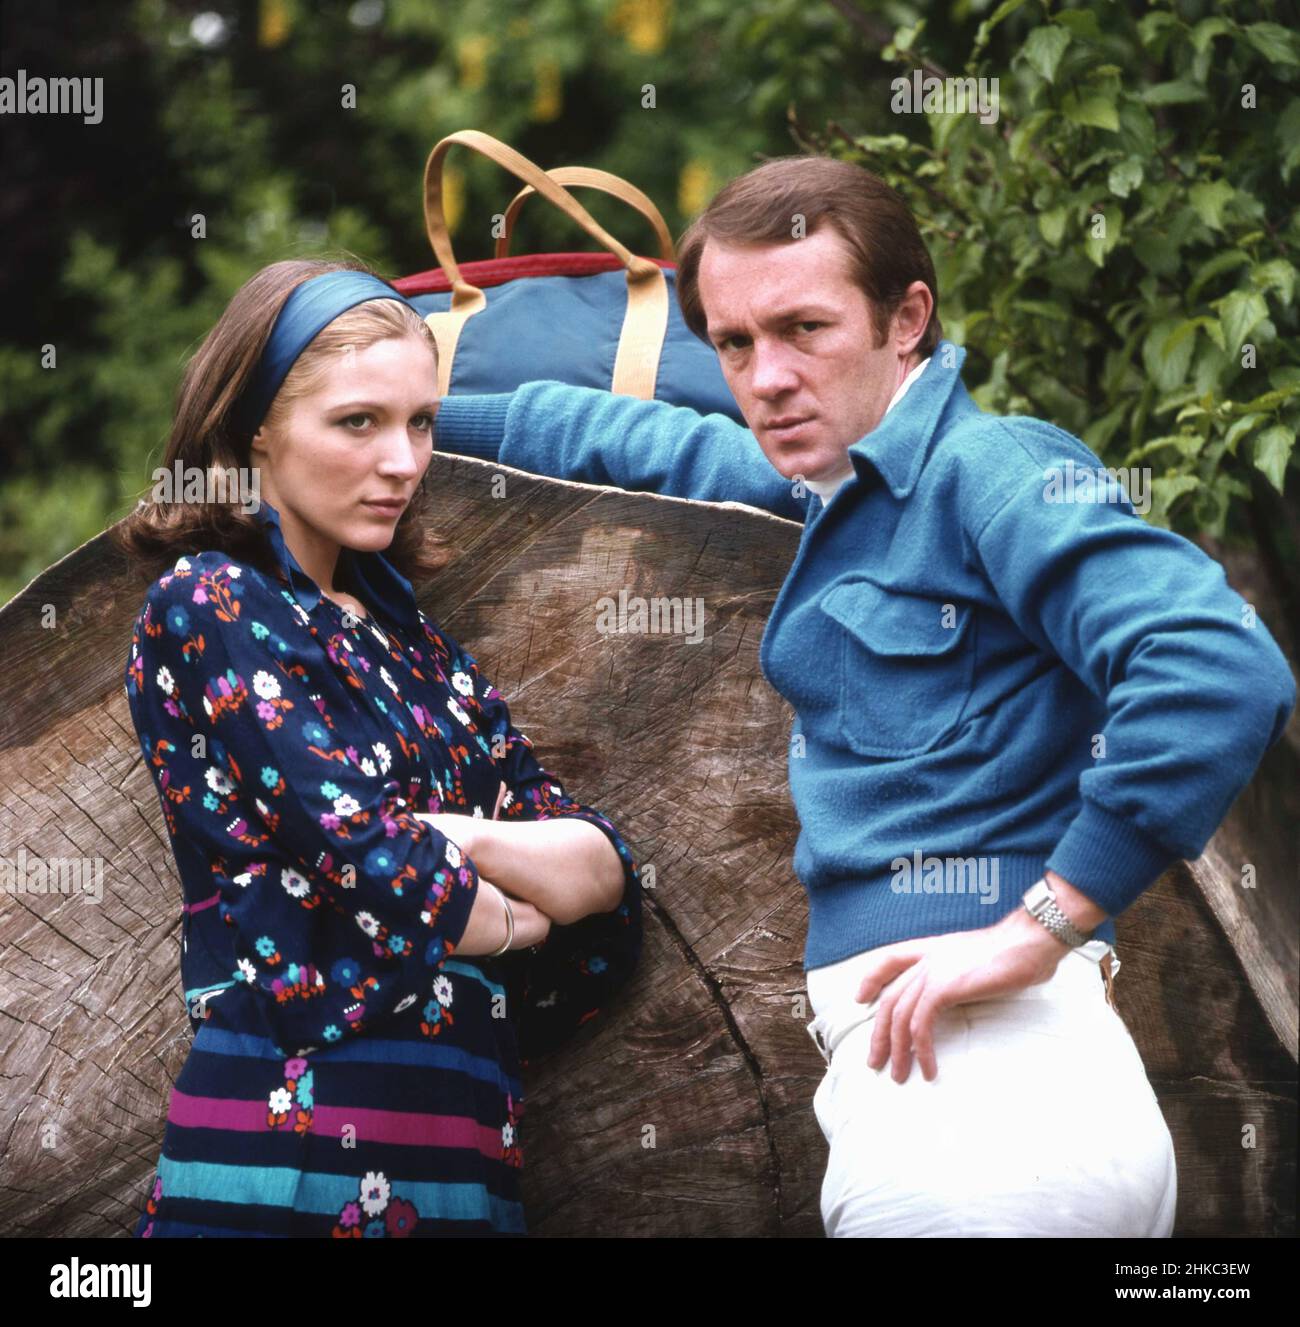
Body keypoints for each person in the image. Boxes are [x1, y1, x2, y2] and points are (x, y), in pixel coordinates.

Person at [431, 155, 1297, 1237]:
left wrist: (1044, 921)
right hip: (941, 1097)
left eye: (804, 329)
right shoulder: (844, 484)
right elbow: (643, 442)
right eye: (736, 343)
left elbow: (1217, 662)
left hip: (991, 1115)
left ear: (906, 319)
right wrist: (397, 412)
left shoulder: (987, 470)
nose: (767, 376)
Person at [116, 259, 642, 1237]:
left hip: (463, 1142)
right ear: (256, 426)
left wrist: (453, 840)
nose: (402, 460)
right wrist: (481, 901)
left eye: (421, 422)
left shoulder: (421, 649)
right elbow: (357, 849)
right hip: (295, 1141)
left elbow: (600, 867)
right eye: (358, 421)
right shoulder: (211, 601)